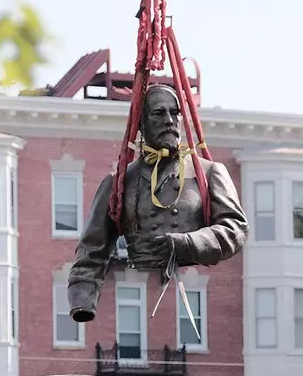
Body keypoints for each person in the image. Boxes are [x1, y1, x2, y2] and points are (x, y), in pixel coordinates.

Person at [68, 83, 249, 322]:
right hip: (142, 268)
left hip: (186, 270)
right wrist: (82, 300)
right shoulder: (119, 182)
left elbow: (236, 229)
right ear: (141, 125)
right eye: (158, 113)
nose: (169, 120)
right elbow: (92, 247)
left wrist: (188, 242)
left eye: (175, 113)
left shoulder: (209, 172)